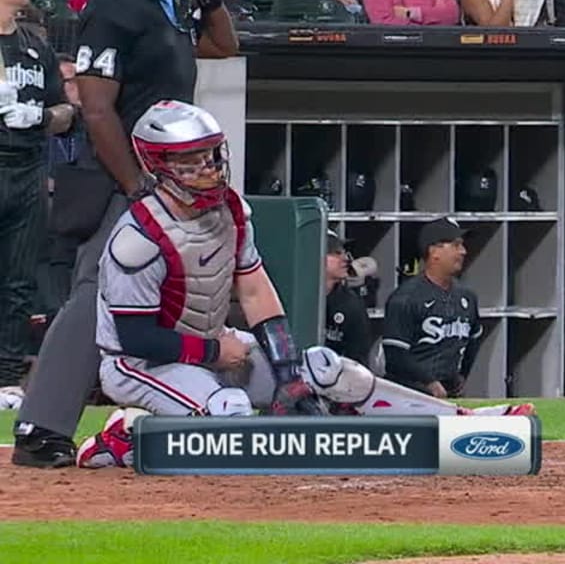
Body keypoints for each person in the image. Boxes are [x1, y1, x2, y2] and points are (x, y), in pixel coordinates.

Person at [11, 0, 238, 469]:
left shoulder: (164, 0)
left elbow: (223, 46)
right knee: (96, 294)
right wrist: (137, 186)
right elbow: (95, 108)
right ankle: (41, 427)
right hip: (123, 178)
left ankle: (144, 408)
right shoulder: (112, 5)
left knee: (145, 295)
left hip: (166, 177)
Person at [71, 100, 322, 468]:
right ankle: (130, 435)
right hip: (139, 364)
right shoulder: (138, 238)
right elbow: (136, 338)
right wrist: (213, 352)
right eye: (190, 162)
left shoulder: (232, 211)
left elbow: (255, 292)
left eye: (209, 156)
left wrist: (288, 374)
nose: (207, 169)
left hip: (213, 344)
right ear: (158, 166)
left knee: (321, 375)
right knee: (230, 414)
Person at [0, 0, 74, 391]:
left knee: (20, 280)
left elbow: (65, 110)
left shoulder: (35, 45)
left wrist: (41, 117)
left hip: (27, 167)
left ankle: (6, 378)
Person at [379, 217, 484, 398]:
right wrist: (428, 382)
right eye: (456, 245)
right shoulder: (405, 298)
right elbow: (396, 355)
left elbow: (474, 339)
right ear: (434, 251)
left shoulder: (467, 296)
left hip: (448, 393)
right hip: (408, 394)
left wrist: (462, 375)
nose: (463, 251)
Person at [322, 230, 371, 365]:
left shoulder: (351, 303)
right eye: (336, 253)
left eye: (344, 252)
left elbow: (358, 359)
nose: (345, 259)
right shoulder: (295, 297)